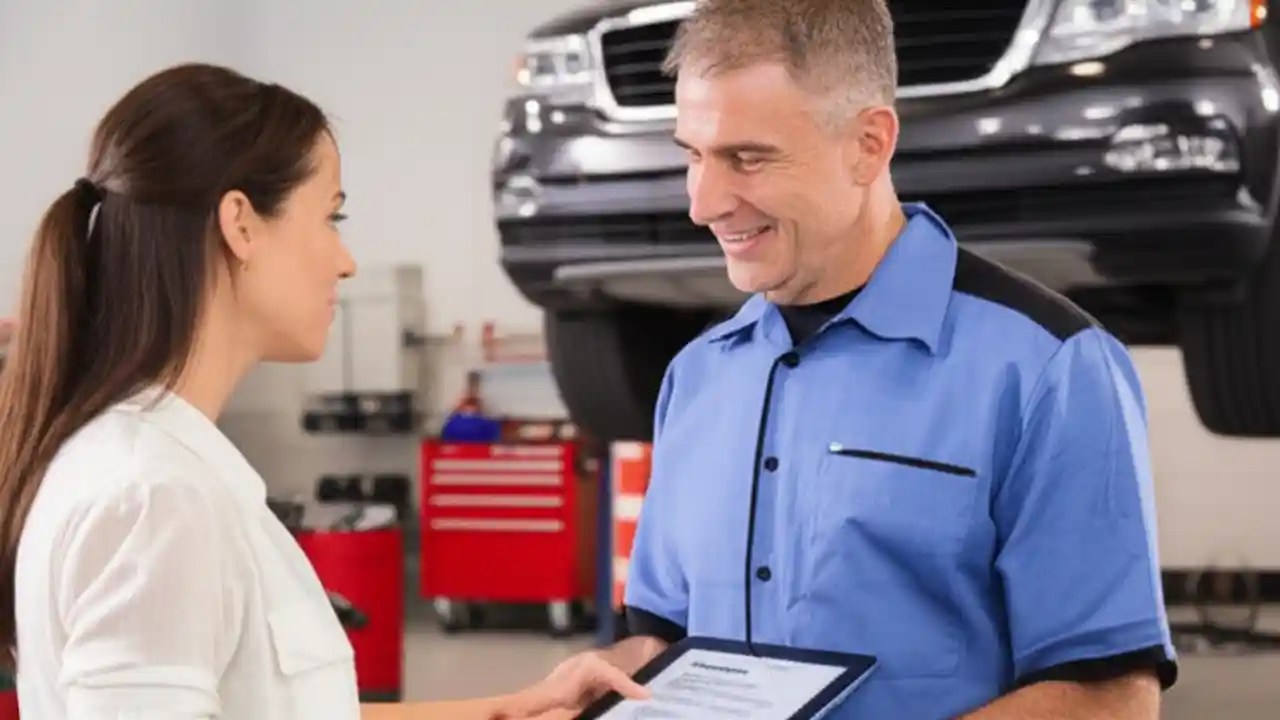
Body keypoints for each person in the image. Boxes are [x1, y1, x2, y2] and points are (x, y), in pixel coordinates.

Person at [510, 1, 1179, 718]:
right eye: (692, 155)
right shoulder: (700, 376)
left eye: (748, 157)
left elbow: (1110, 694)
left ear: (868, 143)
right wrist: (603, 680)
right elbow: (664, 640)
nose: (703, 204)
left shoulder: (1049, 369)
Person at [0, 63, 644, 719]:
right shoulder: (156, 496)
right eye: (331, 216)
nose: (346, 260)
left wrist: (517, 709)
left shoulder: (150, 467)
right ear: (240, 224)